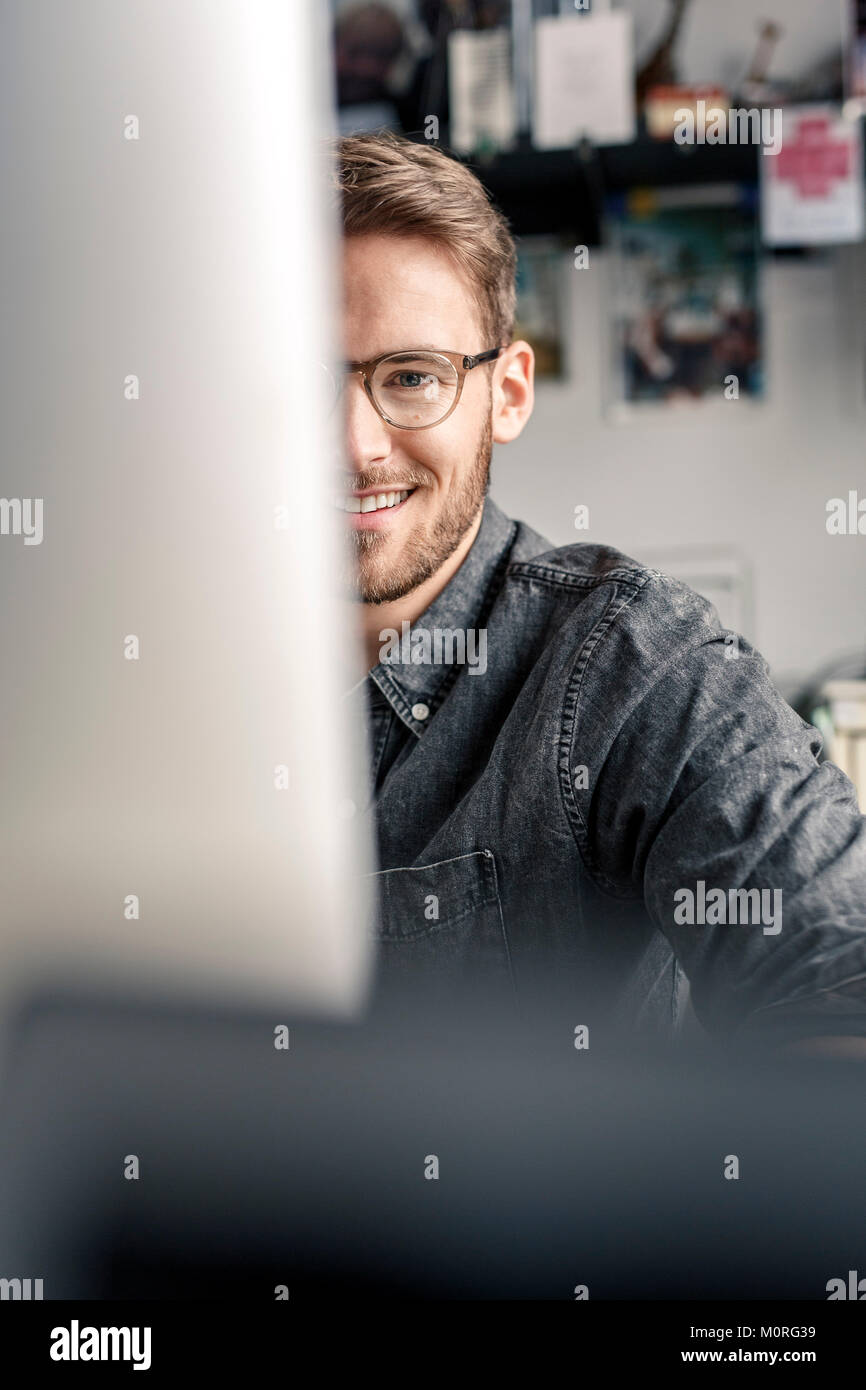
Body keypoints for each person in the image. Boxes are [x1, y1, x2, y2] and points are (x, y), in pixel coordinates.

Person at [331, 130, 866, 1055]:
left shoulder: (634, 665)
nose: (352, 445)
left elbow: (836, 985)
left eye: (412, 378)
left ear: (508, 392)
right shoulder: (163, 676)